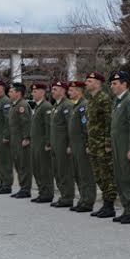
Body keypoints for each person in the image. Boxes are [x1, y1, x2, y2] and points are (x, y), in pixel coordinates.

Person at [109, 71, 130, 224]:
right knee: (120, 177)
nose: (112, 86)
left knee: (129, 177)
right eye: (112, 84)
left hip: (126, 146)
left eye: (115, 83)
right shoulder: (117, 101)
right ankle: (126, 208)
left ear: (124, 84)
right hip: (117, 145)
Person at [85, 72, 117, 218]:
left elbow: (109, 123)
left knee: (106, 175)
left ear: (98, 83)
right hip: (93, 143)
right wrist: (88, 143)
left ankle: (109, 205)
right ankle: (105, 203)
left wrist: (108, 143)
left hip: (103, 144)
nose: (87, 83)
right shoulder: (91, 100)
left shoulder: (104, 99)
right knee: (99, 175)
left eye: (90, 81)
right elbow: (89, 124)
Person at [67, 80, 97, 213]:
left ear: (79, 91)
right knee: (78, 173)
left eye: (72, 90)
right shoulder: (76, 106)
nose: (69, 92)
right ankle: (82, 199)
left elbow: (86, 127)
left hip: (82, 145)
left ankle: (88, 201)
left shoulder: (84, 106)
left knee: (85, 174)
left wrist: (88, 144)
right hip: (75, 145)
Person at [49, 80, 76, 208]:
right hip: (55, 144)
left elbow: (70, 127)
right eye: (52, 89)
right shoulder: (56, 106)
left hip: (63, 144)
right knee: (57, 170)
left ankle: (68, 197)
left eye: (55, 89)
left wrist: (70, 144)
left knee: (65, 171)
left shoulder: (67, 105)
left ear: (63, 91)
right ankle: (63, 195)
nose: (52, 91)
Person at [28, 83, 55, 204]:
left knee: (44, 169)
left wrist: (48, 142)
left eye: (35, 91)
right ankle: (41, 191)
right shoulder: (38, 107)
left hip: (43, 144)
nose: (33, 94)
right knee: (37, 168)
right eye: (32, 92)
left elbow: (48, 126)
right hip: (36, 143)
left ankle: (47, 193)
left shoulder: (46, 106)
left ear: (43, 92)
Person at [7, 82, 34, 199]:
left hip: (21, 139)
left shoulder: (22, 105)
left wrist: (26, 137)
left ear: (18, 93)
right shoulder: (14, 105)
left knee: (24, 164)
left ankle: (26, 189)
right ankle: (22, 187)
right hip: (15, 139)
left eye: (11, 91)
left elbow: (26, 123)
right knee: (18, 163)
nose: (9, 93)